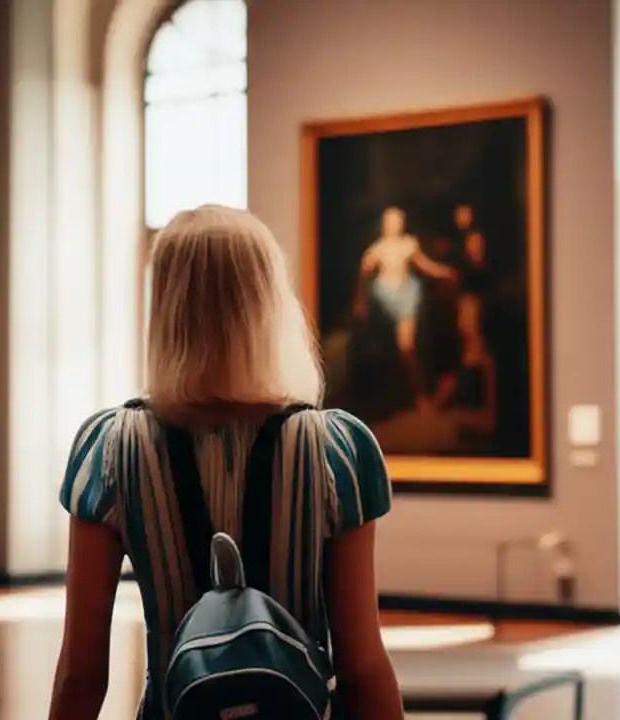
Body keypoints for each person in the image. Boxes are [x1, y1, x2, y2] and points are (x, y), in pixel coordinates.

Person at [51, 205, 404, 720]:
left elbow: (81, 675)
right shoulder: (334, 452)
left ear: (166, 309)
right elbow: (362, 670)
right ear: (267, 304)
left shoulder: (112, 450)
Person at [354, 206, 456, 411]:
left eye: (397, 221)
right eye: (390, 221)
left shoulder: (408, 245)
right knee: (386, 349)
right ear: (384, 224)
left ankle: (419, 396)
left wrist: (442, 272)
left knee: (406, 347)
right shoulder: (378, 249)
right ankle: (395, 399)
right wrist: (361, 302)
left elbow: (425, 265)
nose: (393, 225)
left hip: (405, 298)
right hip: (383, 300)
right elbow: (363, 277)